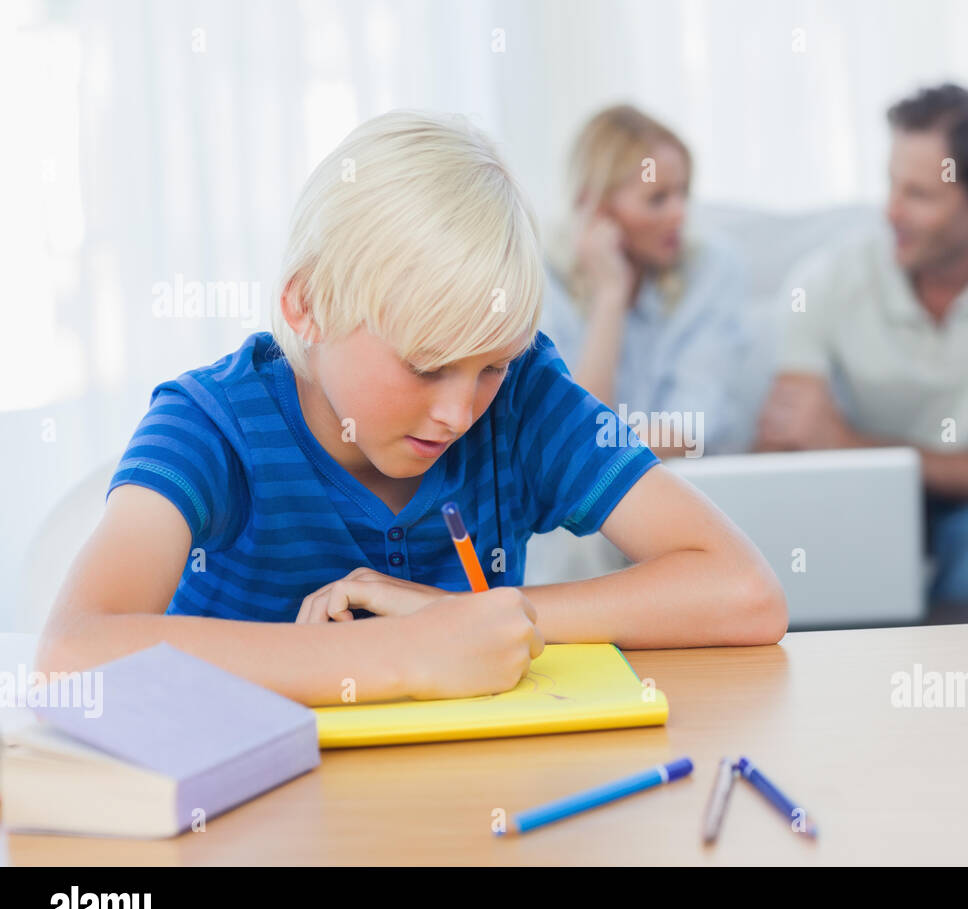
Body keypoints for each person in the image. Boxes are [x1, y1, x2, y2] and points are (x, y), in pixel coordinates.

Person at [38, 111, 787, 708]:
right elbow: (70, 655)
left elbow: (744, 594)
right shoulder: (211, 423)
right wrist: (397, 656)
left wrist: (474, 618)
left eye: (490, 364)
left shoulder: (523, 399)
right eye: (426, 365)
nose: (460, 411)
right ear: (307, 305)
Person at [756, 84, 968, 603]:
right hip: (866, 500)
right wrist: (843, 459)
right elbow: (783, 446)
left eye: (919, 195)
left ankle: (949, 675)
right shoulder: (827, 279)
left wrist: (851, 446)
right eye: (891, 186)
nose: (891, 213)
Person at [541, 104, 759, 458]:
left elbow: (688, 431)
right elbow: (571, 432)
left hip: (693, 484)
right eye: (657, 199)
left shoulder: (713, 269)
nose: (680, 214)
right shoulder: (542, 283)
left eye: (683, 193)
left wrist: (595, 447)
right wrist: (610, 296)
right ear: (595, 208)